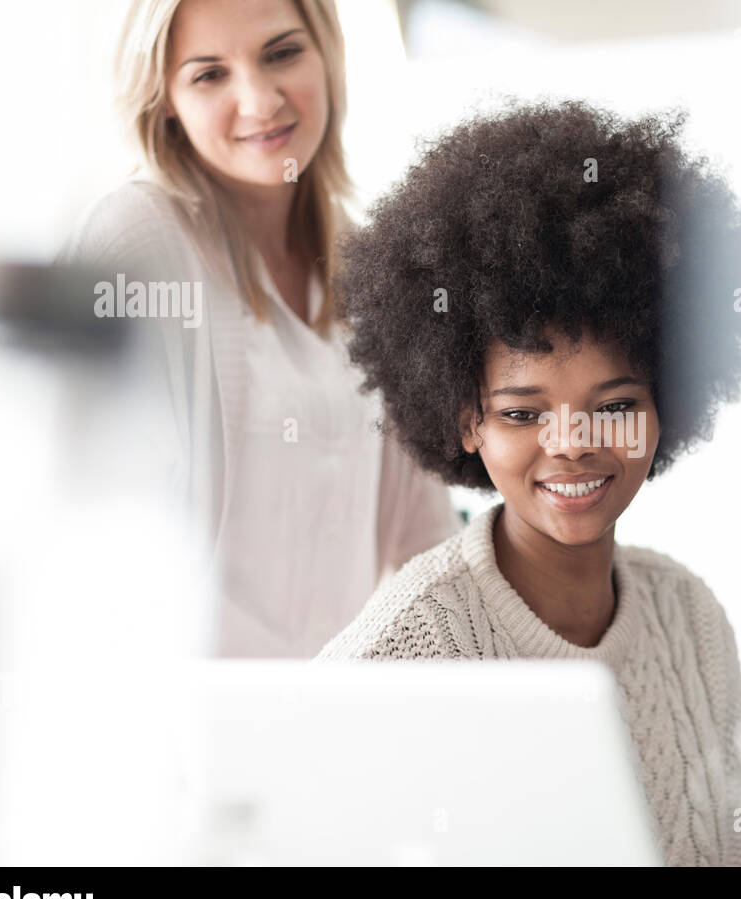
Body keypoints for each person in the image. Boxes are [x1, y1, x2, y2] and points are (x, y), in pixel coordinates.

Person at [316, 100, 741, 867]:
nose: (571, 446)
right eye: (524, 413)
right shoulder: (406, 649)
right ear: (467, 420)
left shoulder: (692, 621)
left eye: (616, 405)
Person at [59, 0, 460, 658]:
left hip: (331, 724)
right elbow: (96, 544)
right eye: (209, 74)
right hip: (186, 729)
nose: (260, 100)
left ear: (326, 52)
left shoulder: (374, 267)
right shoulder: (136, 240)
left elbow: (427, 544)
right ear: (164, 100)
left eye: (281, 53)